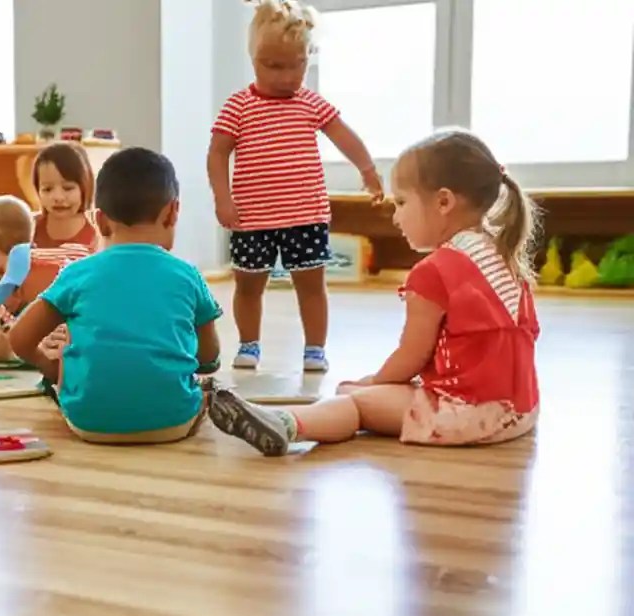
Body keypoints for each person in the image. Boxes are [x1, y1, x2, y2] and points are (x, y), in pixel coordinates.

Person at [208, 128, 541, 457]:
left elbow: (411, 356)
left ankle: (286, 423)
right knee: (368, 393)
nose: (395, 216)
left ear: (443, 201)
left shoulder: (435, 271)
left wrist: (374, 384)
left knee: (353, 400)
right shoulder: (504, 256)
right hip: (521, 410)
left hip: (470, 416)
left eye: (401, 202)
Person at [207, 0, 382, 373]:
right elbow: (218, 153)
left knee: (311, 286)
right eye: (273, 66)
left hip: (306, 215)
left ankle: (315, 348)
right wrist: (223, 198)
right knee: (249, 286)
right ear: (252, 57)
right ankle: (250, 343)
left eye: (297, 65)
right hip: (253, 219)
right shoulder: (238, 106)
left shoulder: (310, 103)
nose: (286, 76)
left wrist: (367, 168)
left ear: (308, 58)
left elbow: (344, 137)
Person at [9, 147, 223, 445]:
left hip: (87, 423)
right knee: (206, 386)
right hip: (174, 422)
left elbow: (19, 339)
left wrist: (50, 365)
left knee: (62, 377)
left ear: (100, 221)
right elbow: (207, 358)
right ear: (173, 212)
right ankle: (210, 403)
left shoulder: (76, 274)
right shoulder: (188, 276)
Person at [30, 141, 99, 250]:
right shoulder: (28, 229)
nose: (58, 197)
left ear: (85, 187)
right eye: (47, 189)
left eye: (68, 188)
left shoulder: (99, 236)